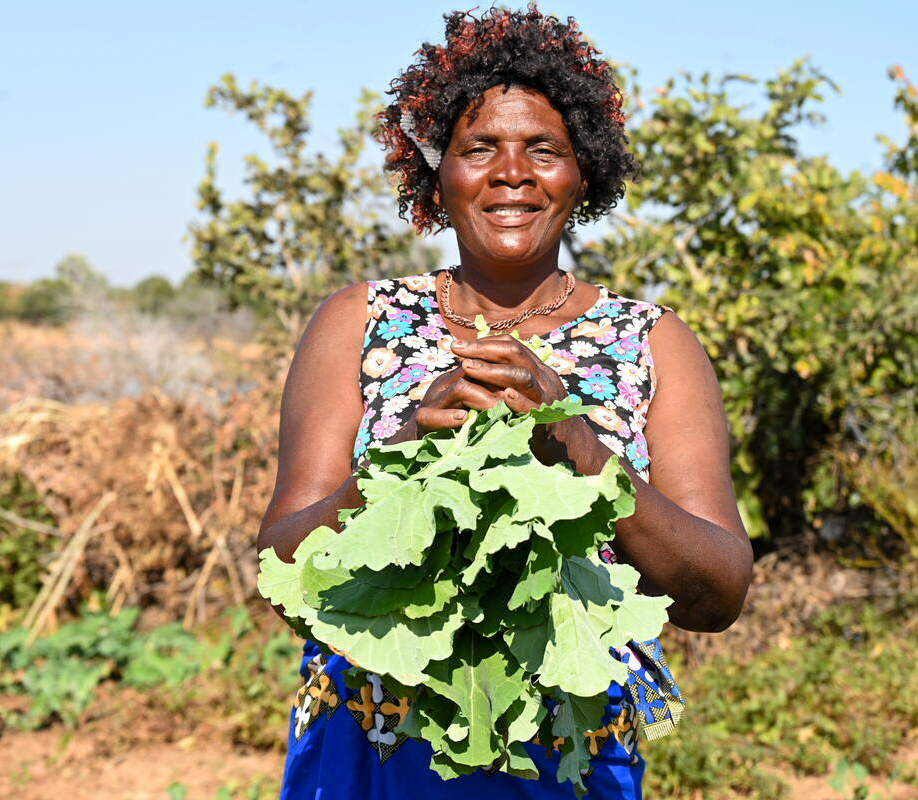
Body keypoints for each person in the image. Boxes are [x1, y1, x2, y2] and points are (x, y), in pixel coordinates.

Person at [258, 6, 753, 798]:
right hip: (370, 754)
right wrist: (399, 465)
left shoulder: (652, 341)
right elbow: (280, 569)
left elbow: (719, 590)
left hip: (565, 763)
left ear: (583, 171)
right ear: (438, 176)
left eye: (544, 150)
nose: (511, 172)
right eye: (479, 147)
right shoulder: (358, 323)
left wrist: (582, 450)